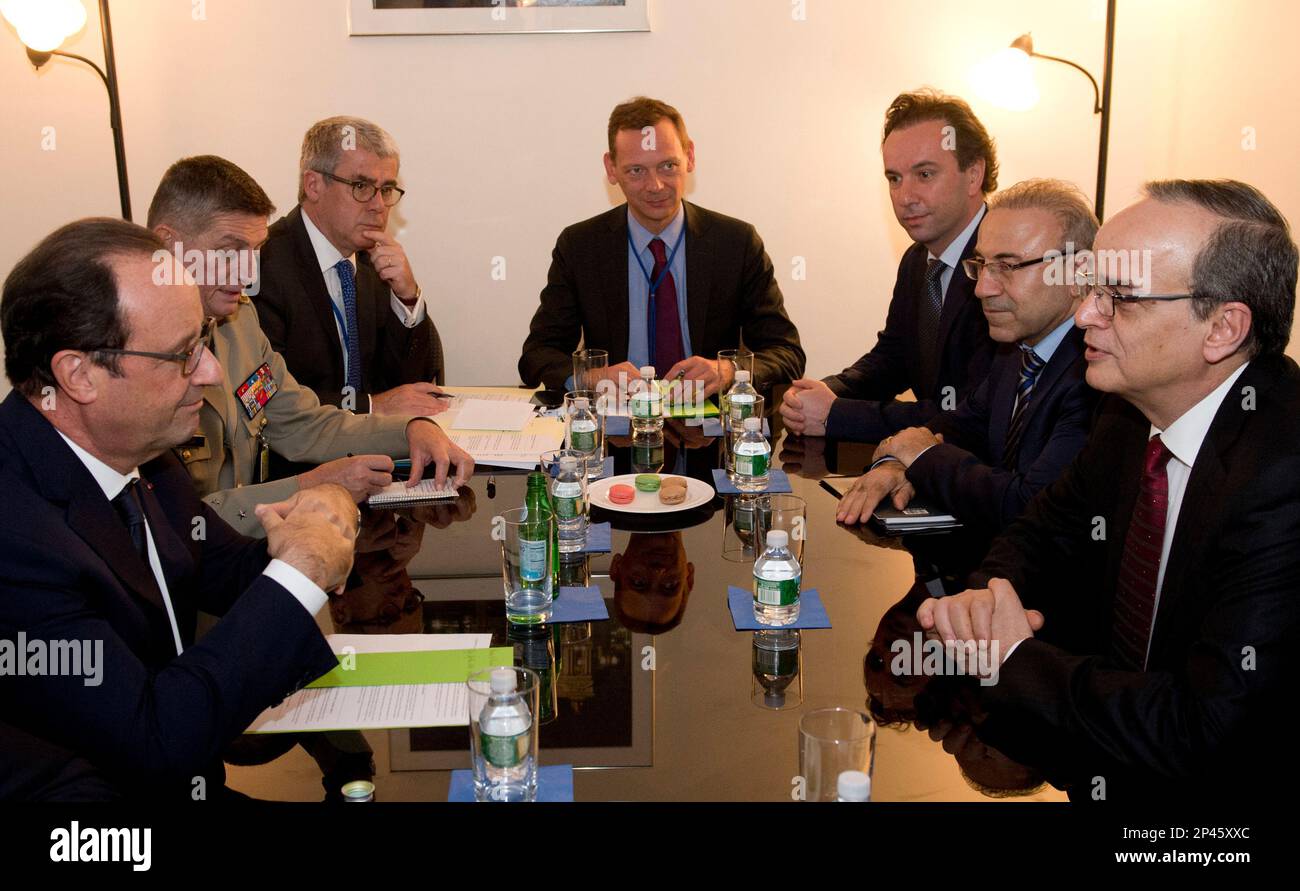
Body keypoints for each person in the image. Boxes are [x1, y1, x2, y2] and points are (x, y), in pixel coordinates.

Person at [918, 179, 1300, 798]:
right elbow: (1044, 530)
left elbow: (1203, 728)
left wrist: (1011, 657)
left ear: (1223, 328)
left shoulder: (1283, 476)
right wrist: (987, 597)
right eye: (1091, 286)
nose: (1083, 313)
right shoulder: (1129, 414)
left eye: (1117, 296)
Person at [0, 218, 357, 799]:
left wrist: (326, 508)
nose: (212, 372)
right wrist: (303, 570)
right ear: (79, 374)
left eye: (205, 343)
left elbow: (230, 571)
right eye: (184, 355)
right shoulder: (15, 536)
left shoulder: (141, 454)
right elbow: (154, 738)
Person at [146, 155, 473, 537]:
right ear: (167, 245)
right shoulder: (130, 359)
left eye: (254, 251)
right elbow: (175, 526)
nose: (249, 273)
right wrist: (308, 487)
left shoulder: (238, 325)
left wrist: (410, 431)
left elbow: (303, 422)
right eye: (229, 251)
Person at [834, 179, 1099, 535]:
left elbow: (1028, 507)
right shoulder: (1015, 350)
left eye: (1008, 266)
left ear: (1077, 274)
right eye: (982, 265)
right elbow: (964, 424)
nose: (982, 288)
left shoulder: (1095, 372)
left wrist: (924, 458)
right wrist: (896, 463)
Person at [518, 96, 805, 398]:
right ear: (611, 169)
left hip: (708, 433)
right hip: (616, 429)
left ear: (690, 157)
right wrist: (591, 377)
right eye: (636, 171)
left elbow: (787, 353)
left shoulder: (736, 243)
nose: (655, 185)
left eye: (668, 166)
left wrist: (727, 370)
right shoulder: (580, 247)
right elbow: (537, 356)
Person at [781, 90, 998, 442]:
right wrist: (823, 391)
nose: (905, 196)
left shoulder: (1006, 267)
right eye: (894, 178)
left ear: (973, 175)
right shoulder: (917, 260)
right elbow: (893, 359)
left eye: (924, 174)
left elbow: (970, 412)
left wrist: (836, 414)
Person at [253, 116, 445, 416]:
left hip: (375, 452)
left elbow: (421, 383)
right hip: (298, 458)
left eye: (386, 189)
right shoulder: (265, 264)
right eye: (361, 186)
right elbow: (266, 397)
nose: (378, 205)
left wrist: (407, 298)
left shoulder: (373, 261)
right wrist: (371, 406)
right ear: (313, 185)